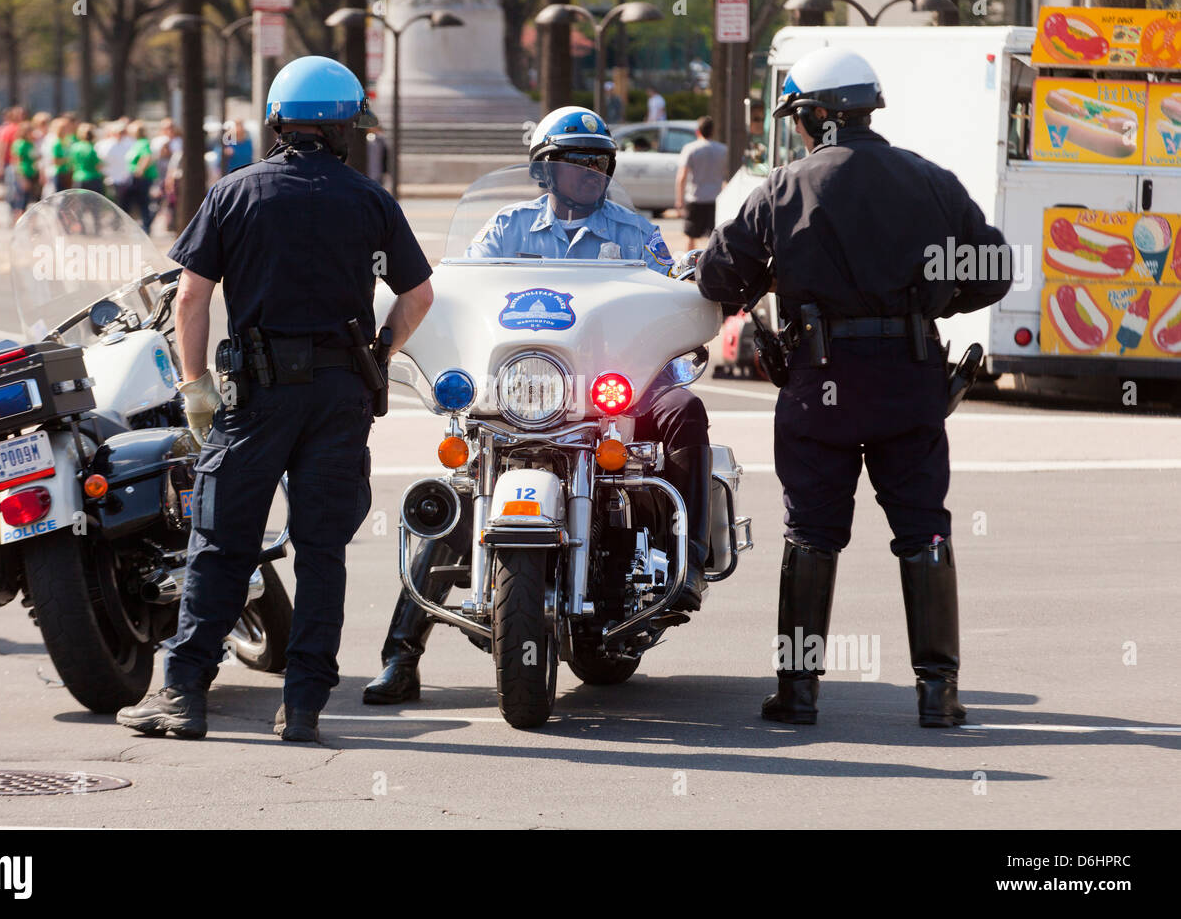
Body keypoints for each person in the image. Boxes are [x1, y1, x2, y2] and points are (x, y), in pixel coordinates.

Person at [116, 55, 435, 742]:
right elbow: (419, 295)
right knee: (323, 550)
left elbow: (193, 297)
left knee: (222, 544)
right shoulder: (370, 200)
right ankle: (305, 705)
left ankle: (184, 697)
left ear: (275, 121)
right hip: (340, 395)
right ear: (346, 127)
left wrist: (194, 385)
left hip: (258, 396)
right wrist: (378, 353)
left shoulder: (235, 192)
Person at [694, 48, 1012, 727]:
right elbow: (992, 273)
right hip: (910, 381)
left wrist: (771, 275)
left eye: (799, 118)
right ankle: (939, 694)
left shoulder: (785, 187)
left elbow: (720, 279)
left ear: (814, 115)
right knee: (925, 529)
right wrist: (925, 304)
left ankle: (799, 694)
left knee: (811, 532)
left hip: (822, 383)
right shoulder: (932, 180)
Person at [362, 106, 716, 705]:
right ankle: (401, 657)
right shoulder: (505, 229)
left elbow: (670, 291)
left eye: (599, 161)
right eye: (574, 161)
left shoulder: (634, 233)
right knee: (460, 497)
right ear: (543, 172)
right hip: (517, 393)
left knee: (685, 409)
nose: (591, 171)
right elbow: (454, 289)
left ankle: (686, 556)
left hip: (612, 390)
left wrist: (689, 291)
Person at [675, 115, 728, 249]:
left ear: (697, 131)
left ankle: (690, 266)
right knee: (713, 237)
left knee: (691, 236)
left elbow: (682, 176)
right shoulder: (723, 150)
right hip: (715, 198)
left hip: (695, 198)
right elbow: (726, 176)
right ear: (713, 131)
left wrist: (679, 200)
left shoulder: (690, 148)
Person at [119, 121, 156, 233]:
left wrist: (140, 171)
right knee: (134, 202)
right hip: (135, 177)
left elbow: (147, 157)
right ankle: (134, 225)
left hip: (140, 178)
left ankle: (145, 226)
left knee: (142, 202)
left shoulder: (143, 143)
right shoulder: (137, 143)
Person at [68, 123, 105, 194]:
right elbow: (97, 165)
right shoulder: (91, 148)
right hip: (92, 179)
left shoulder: (74, 147)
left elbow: (70, 163)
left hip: (78, 178)